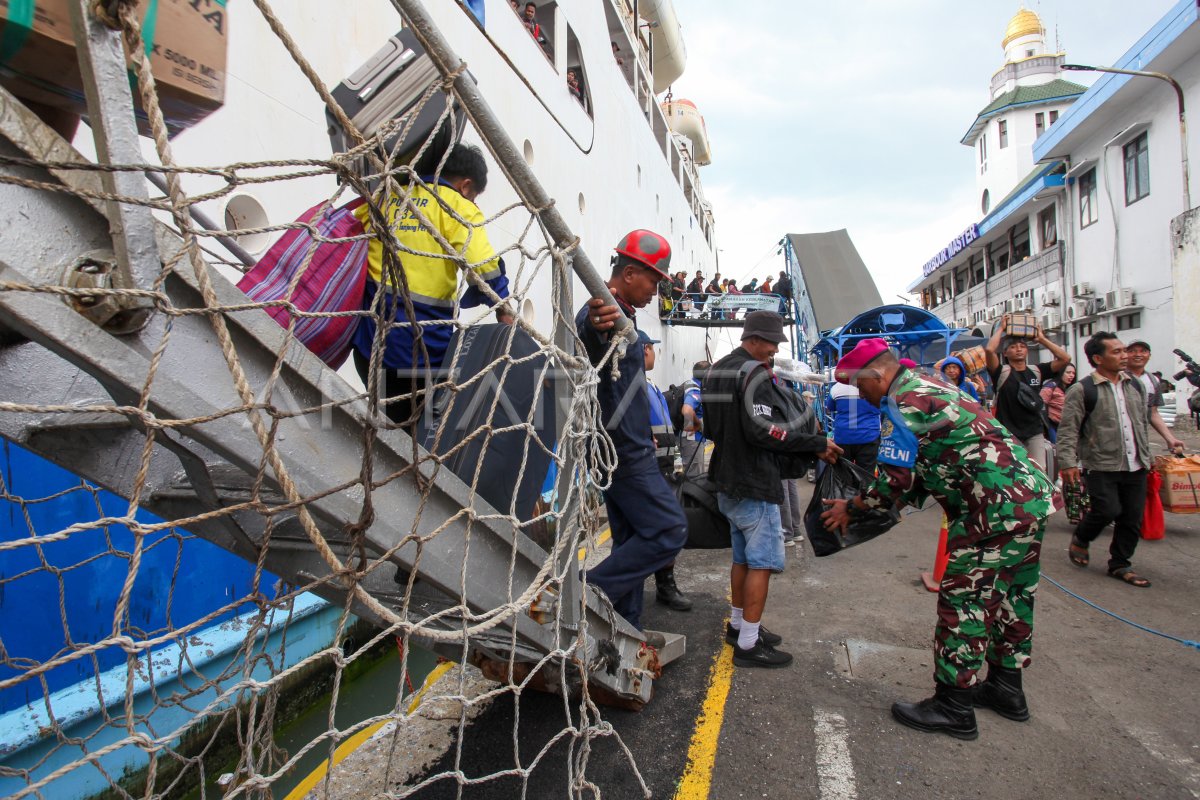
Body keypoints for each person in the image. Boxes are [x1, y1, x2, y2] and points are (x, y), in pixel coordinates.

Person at [821, 338, 1057, 740]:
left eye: (862, 387)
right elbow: (928, 466)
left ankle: (953, 706)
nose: (863, 396)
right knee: (1013, 597)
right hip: (1028, 500)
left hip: (991, 512)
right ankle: (1006, 689)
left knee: (964, 604)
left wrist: (852, 508)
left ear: (877, 375)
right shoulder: (932, 384)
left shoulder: (903, 402)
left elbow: (894, 481)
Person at [704, 311, 842, 668]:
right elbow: (764, 431)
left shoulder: (717, 369)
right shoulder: (754, 374)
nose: (773, 351)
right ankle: (749, 645)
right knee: (761, 563)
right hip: (754, 481)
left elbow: (713, 427)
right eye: (771, 344)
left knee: (742, 558)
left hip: (726, 477)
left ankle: (739, 627)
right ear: (754, 341)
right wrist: (812, 442)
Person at [351, 142, 512, 426]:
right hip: (419, 353)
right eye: (474, 195)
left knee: (387, 426)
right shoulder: (459, 207)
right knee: (422, 434)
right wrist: (503, 306)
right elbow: (484, 266)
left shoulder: (387, 197)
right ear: (465, 186)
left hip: (369, 347)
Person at [576, 230, 688, 631]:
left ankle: (626, 630)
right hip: (622, 449)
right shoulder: (604, 312)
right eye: (654, 281)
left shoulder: (626, 316)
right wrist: (597, 322)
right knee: (668, 531)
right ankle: (584, 594)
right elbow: (594, 331)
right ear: (628, 273)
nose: (656, 291)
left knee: (629, 542)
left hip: (620, 445)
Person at [1057, 332, 1154, 588]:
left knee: (1132, 517)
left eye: (1124, 351)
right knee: (1107, 510)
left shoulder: (1135, 385)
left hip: (1136, 463)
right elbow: (1069, 429)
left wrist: (1149, 455)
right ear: (1098, 358)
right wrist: (1067, 462)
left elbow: (1141, 424)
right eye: (1117, 352)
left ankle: (1120, 564)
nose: (1125, 356)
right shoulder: (1083, 389)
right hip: (1100, 464)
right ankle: (1082, 537)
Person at [641, 330, 693, 612]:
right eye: (652, 349)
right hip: (650, 470)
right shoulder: (636, 386)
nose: (655, 354)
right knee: (661, 527)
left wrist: (676, 463)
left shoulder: (649, 386)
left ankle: (665, 583)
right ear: (645, 350)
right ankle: (662, 586)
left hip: (664, 467)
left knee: (667, 526)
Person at [984, 315, 1071, 472]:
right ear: (1005, 353)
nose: (1018, 349)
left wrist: (1042, 339)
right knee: (1012, 472)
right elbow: (989, 350)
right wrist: (1001, 329)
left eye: (1022, 346)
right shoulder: (1001, 372)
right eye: (1013, 347)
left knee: (1039, 472)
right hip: (1008, 432)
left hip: (1034, 432)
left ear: (1027, 350)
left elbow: (1065, 358)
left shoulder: (1037, 371)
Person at [1124, 340, 1185, 453]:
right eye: (1132, 351)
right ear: (1124, 354)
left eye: (1143, 351)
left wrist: (1170, 438)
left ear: (1149, 355)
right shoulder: (1117, 377)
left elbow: (1153, 412)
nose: (1138, 355)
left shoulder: (1153, 380)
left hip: (1140, 439)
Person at [824, 378, 882, 473]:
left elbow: (830, 407)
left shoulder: (836, 387)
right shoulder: (875, 387)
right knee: (866, 476)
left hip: (843, 436)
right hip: (868, 436)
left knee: (843, 475)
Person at [679, 361, 709, 480]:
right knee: (695, 479)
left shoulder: (688, 384)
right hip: (692, 440)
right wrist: (697, 424)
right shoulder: (695, 390)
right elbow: (686, 410)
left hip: (687, 439)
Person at [1039, 363, 1075, 443]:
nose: (1071, 375)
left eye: (1073, 373)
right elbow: (1040, 404)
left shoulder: (1072, 388)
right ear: (1061, 372)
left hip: (1068, 426)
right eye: (1068, 372)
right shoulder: (1050, 386)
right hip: (1052, 425)